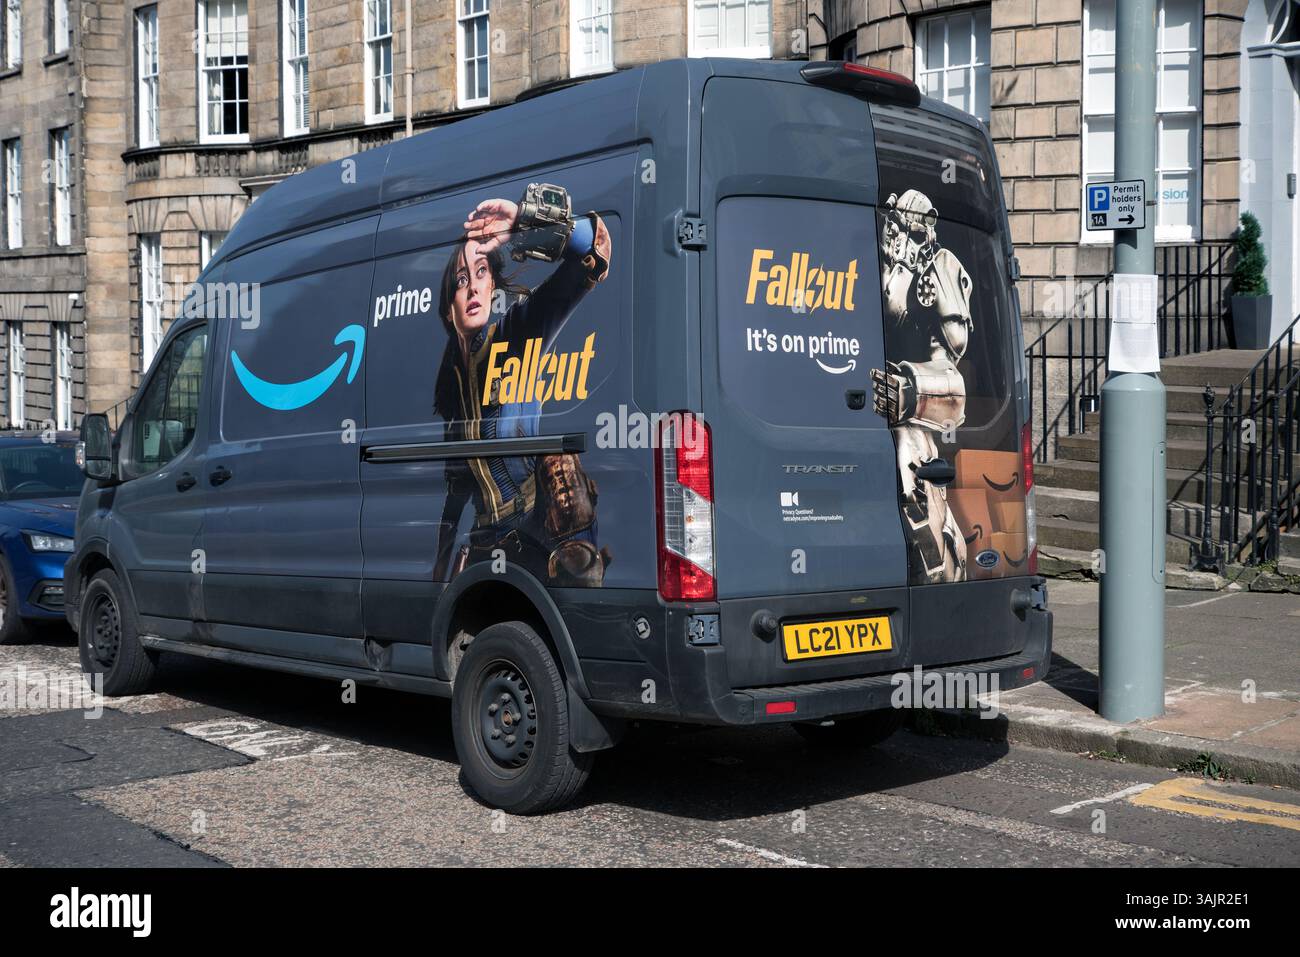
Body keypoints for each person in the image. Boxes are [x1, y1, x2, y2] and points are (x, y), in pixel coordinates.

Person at [432, 184, 613, 587]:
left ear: (493, 285)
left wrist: (524, 220)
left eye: (481, 273)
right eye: (462, 280)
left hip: (540, 531)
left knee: (561, 463)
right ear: (450, 306)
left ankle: (581, 573)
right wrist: (439, 570)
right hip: (486, 543)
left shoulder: (516, 332)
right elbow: (456, 488)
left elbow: (596, 252)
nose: (475, 286)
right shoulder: (451, 382)